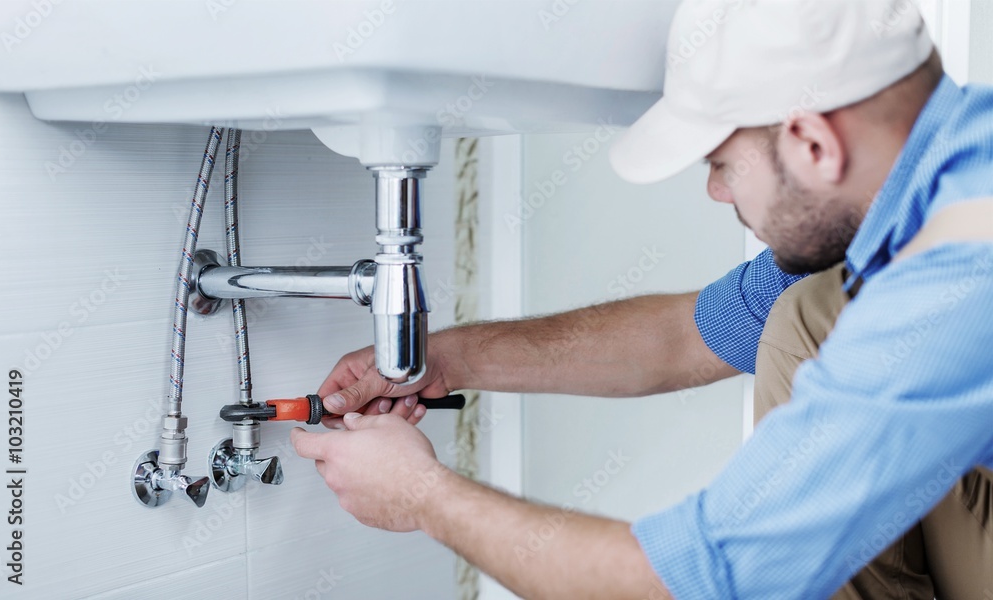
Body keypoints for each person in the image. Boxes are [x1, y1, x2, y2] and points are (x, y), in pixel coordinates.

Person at [290, 1, 993, 598]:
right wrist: (445, 359)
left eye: (719, 163)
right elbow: (684, 338)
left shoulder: (958, 276)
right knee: (806, 315)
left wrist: (424, 497)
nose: (716, 192)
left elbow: (714, 578)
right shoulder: (936, 185)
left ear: (812, 143)